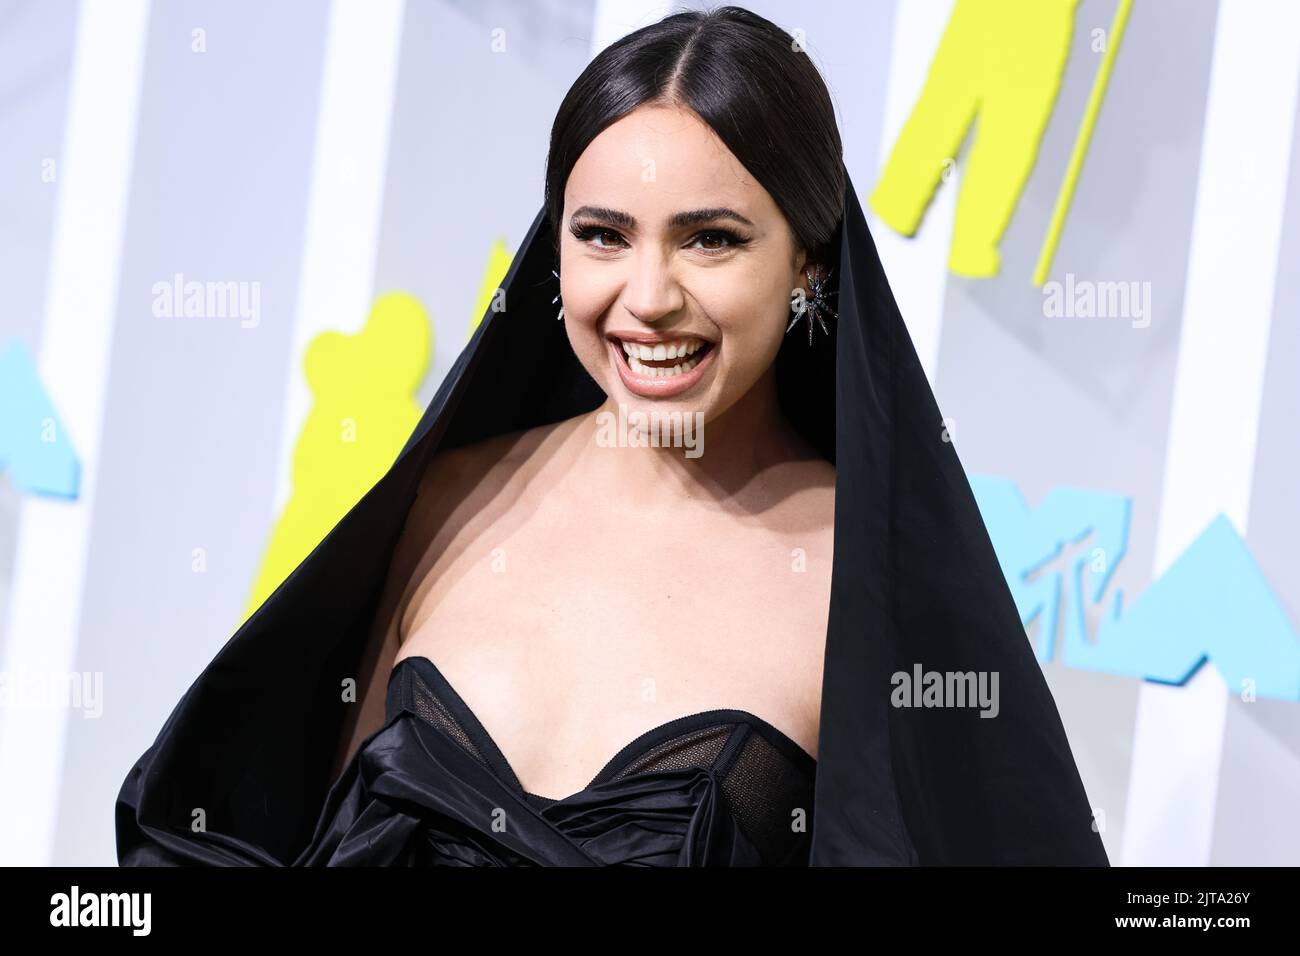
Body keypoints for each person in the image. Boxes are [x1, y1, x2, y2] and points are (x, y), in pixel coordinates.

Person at [116, 5, 1109, 866]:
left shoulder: (871, 575)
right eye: (602, 234)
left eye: (710, 238)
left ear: (807, 263)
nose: (646, 298)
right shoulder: (446, 499)